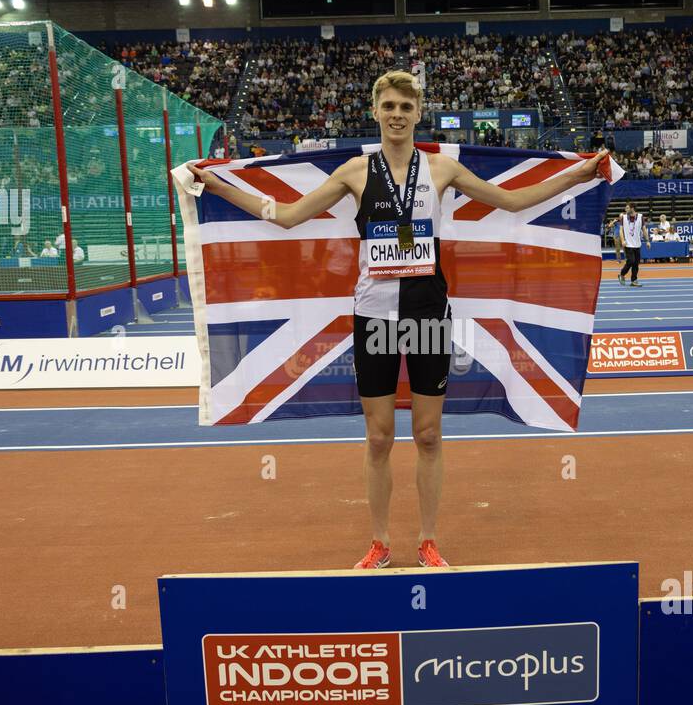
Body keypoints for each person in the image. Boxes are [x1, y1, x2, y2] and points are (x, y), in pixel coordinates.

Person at [194, 69, 607, 569]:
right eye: (388, 106)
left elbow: (513, 201)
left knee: (429, 434)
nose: (396, 115)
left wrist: (578, 175)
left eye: (405, 108)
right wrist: (217, 185)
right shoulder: (354, 172)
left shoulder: (439, 170)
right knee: (379, 436)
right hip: (374, 317)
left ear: (418, 114)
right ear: (375, 111)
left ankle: (428, 539)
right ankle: (380, 541)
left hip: (428, 312)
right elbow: (285, 215)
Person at [616, 204, 645, 287]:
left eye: (627, 208)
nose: (625, 209)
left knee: (636, 264)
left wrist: (647, 241)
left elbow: (644, 229)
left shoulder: (640, 216)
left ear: (632, 208)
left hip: (637, 244)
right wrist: (622, 240)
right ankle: (622, 274)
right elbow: (621, 230)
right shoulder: (623, 217)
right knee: (631, 261)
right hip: (628, 244)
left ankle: (634, 281)